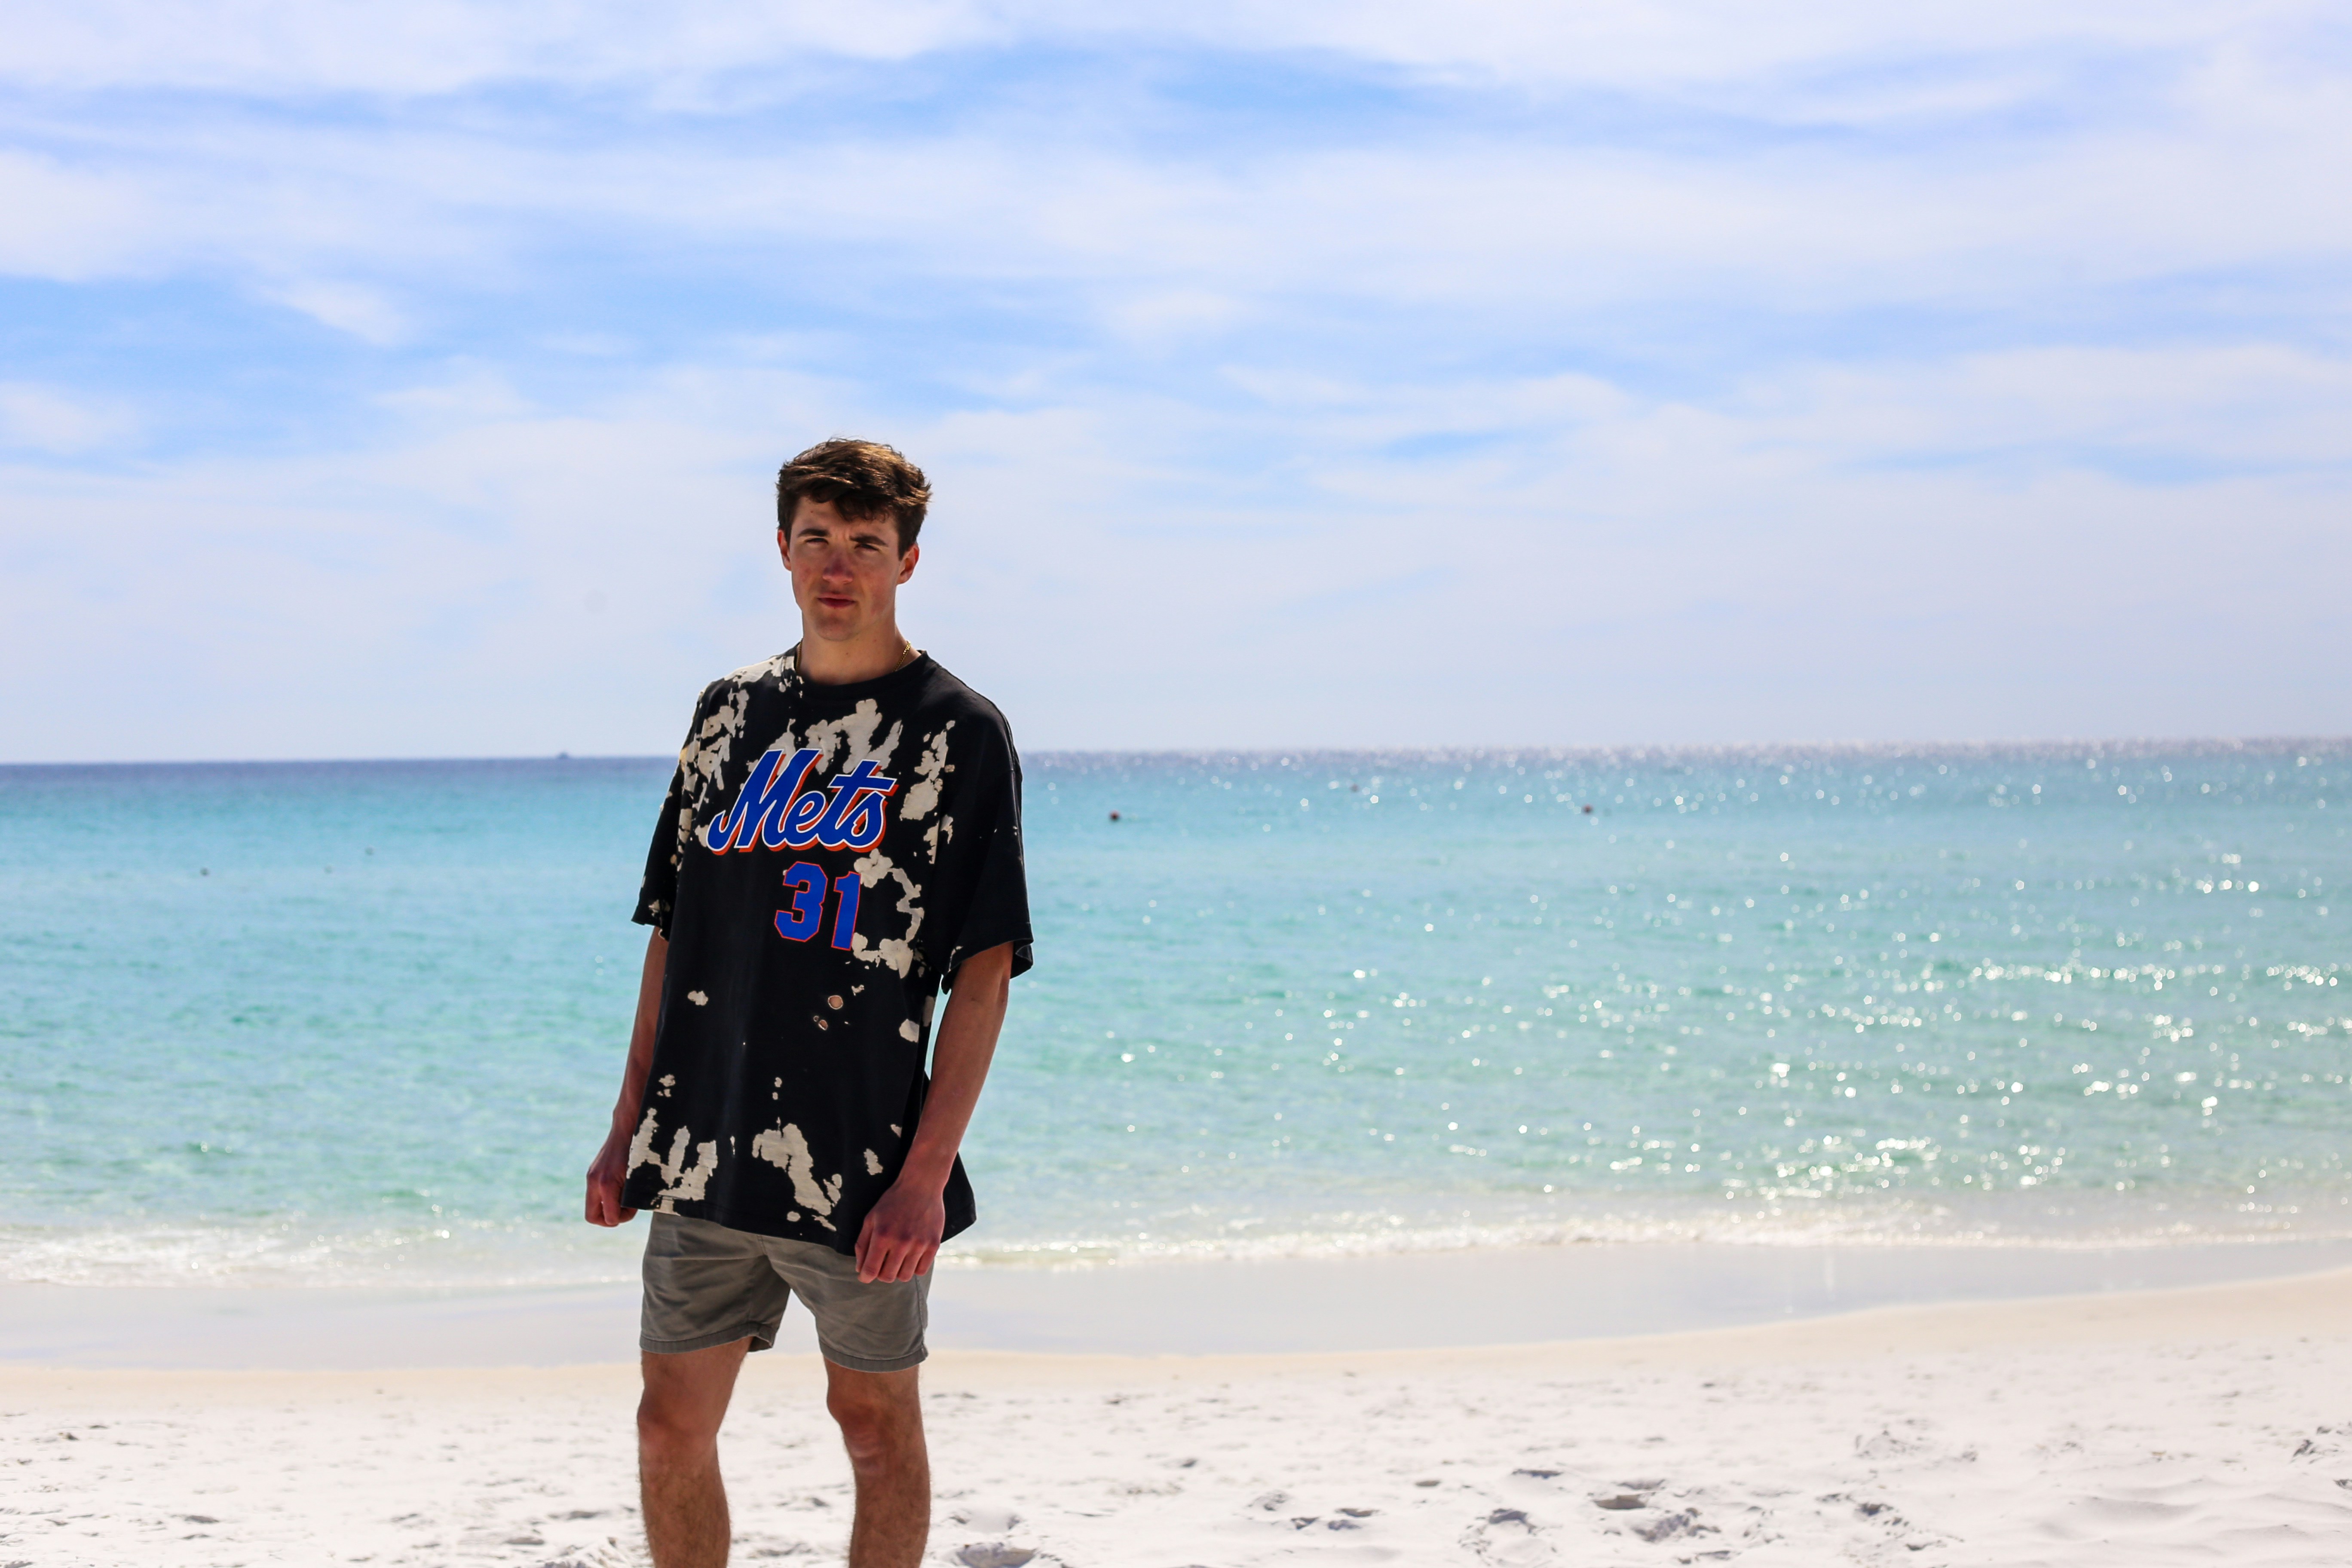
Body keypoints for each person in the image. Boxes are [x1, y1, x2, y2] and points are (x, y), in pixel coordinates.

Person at [584, 438, 1032, 1568]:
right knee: (666, 1427)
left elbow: (983, 971)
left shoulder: (958, 732)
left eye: (867, 544)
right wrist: (628, 1125)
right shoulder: (726, 715)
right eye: (818, 539)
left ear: (907, 561)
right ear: (782, 549)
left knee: (873, 1429)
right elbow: (673, 931)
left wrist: (924, 1180)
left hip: (860, 1163)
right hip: (702, 1146)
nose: (839, 566)